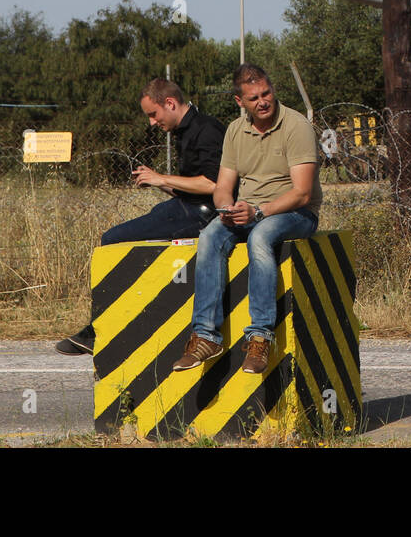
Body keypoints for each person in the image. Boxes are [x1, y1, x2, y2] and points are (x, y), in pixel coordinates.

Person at [55, 78, 226, 355]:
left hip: (203, 216)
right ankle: (112, 323)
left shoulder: (206, 130)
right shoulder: (187, 131)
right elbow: (193, 187)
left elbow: (214, 185)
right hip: (190, 207)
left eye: (153, 114)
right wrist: (161, 183)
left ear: (169, 103)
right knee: (131, 231)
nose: (152, 122)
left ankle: (99, 330)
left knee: (114, 239)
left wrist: (162, 178)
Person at [172, 63, 321, 375]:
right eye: (253, 98)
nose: (262, 101)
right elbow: (223, 188)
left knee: (261, 236)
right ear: (240, 102)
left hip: (293, 213)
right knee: (212, 235)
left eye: (266, 93)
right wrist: (227, 209)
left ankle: (260, 338)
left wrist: (260, 211)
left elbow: (303, 193)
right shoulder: (235, 131)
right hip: (250, 209)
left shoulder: (296, 125)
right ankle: (205, 336)